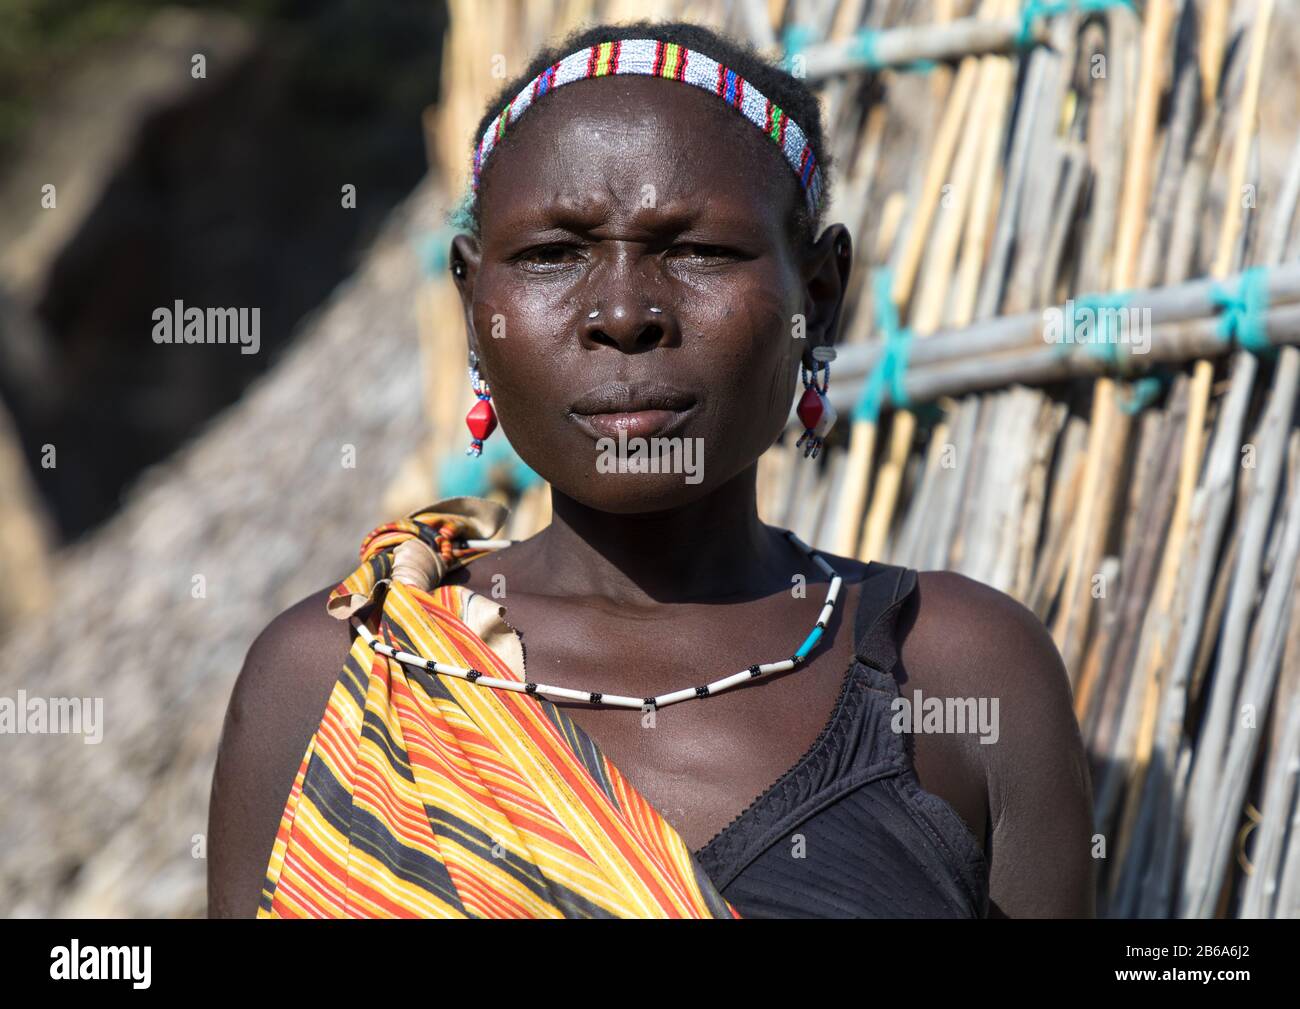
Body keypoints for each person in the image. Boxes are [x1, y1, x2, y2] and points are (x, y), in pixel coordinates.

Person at [207, 20, 1095, 918]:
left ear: (817, 297)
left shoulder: (956, 672)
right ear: (476, 310)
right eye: (553, 254)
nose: (625, 312)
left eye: (699, 250)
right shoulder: (339, 677)